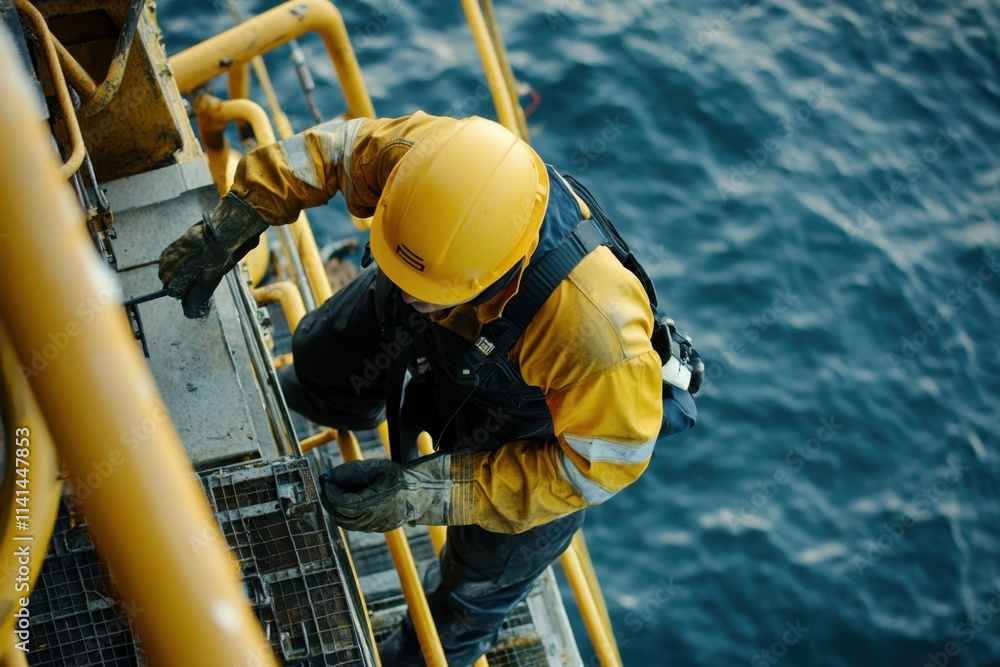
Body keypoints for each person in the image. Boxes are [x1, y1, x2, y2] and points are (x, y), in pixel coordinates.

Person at [158, 112, 695, 666]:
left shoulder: (594, 333)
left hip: (525, 434)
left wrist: (425, 492)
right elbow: (330, 153)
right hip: (431, 335)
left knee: (476, 590)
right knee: (321, 354)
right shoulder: (433, 161)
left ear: (493, 276)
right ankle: (327, 402)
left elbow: (596, 468)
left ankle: (420, 656)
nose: (410, 292)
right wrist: (235, 220)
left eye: (426, 291)